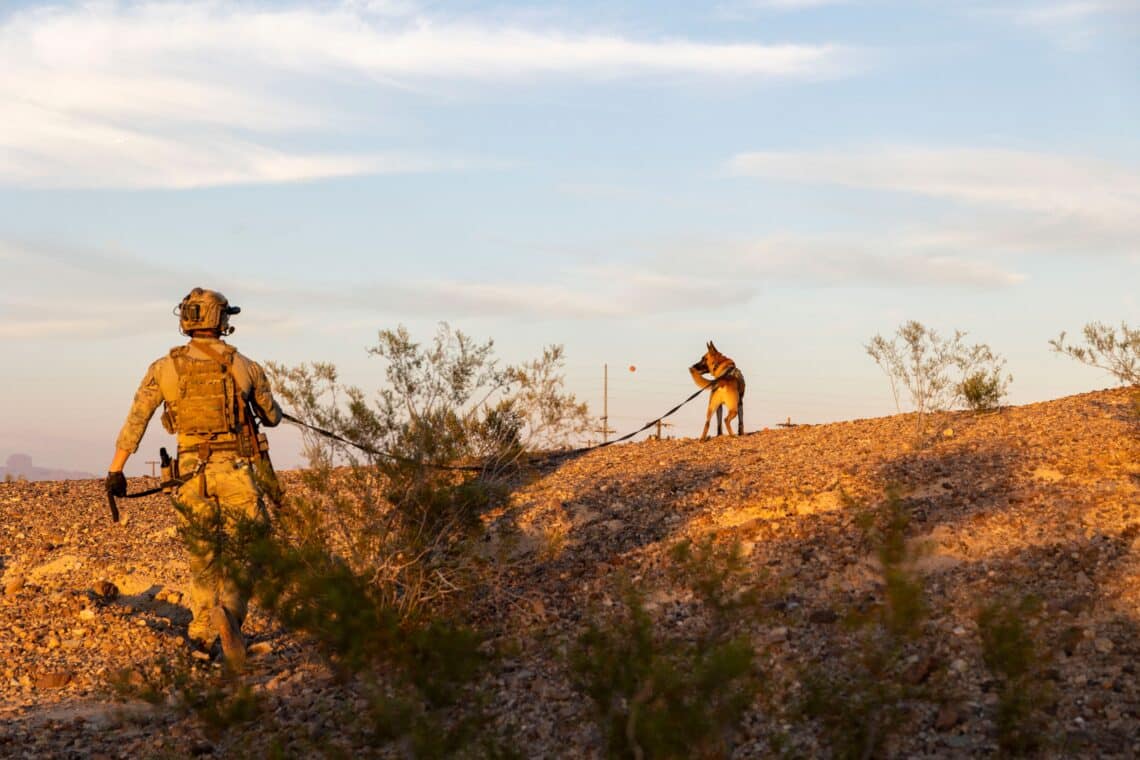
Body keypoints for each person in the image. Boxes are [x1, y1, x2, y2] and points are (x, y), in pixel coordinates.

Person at [106, 287, 283, 666]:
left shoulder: (163, 368)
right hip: (236, 470)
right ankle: (231, 617)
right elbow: (271, 417)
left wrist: (116, 470)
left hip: (189, 475)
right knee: (247, 547)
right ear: (220, 320)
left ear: (186, 318)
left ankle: (203, 634)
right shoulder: (245, 365)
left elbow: (136, 420)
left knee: (202, 555)